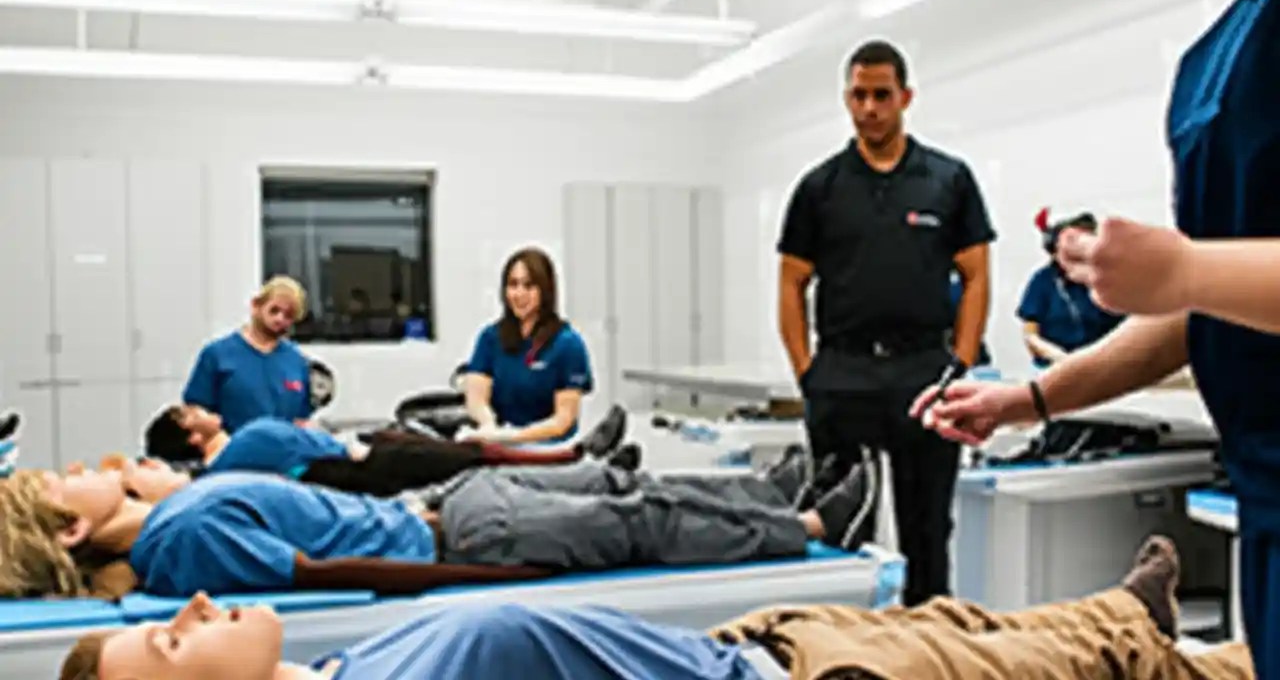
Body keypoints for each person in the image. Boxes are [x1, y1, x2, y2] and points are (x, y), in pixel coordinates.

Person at [913, 0, 1280, 675]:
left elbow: (1197, 281)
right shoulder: (1239, 29)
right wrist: (1029, 399)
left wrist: (1183, 270)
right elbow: (1203, 306)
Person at [58, 536, 1255, 680]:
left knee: (956, 618)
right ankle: (1195, 662)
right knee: (1016, 671)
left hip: (738, 654)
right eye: (166, 640)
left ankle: (1125, 612)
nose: (192, 602)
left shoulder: (339, 679)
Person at [0, 446, 867, 599]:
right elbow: (331, 575)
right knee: (640, 520)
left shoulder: (165, 523)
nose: (81, 471)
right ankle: (809, 528)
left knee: (627, 492)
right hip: (459, 541)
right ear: (69, 534)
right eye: (62, 485)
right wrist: (483, 582)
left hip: (446, 510)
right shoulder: (182, 543)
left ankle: (775, 494)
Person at [776, 39, 996, 606]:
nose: (869, 107)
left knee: (928, 531)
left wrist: (961, 364)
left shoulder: (948, 180)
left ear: (905, 97)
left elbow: (976, 275)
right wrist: (809, 373)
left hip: (923, 372)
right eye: (858, 95)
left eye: (881, 95)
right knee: (841, 530)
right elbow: (791, 283)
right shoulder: (819, 188)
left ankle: (929, 647)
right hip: (843, 374)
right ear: (846, 100)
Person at [141, 403, 631, 497]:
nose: (201, 407)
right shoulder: (239, 449)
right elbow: (308, 447)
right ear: (192, 438)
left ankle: (584, 465)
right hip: (364, 464)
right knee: (478, 456)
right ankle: (574, 460)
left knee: (478, 461)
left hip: (363, 457)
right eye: (190, 412)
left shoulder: (232, 457)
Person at [464, 247, 593, 444]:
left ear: (545, 290)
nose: (519, 294)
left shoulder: (568, 344)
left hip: (548, 451)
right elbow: (476, 398)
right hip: (499, 446)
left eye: (529, 285)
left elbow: (563, 420)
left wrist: (513, 437)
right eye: (513, 284)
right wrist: (488, 425)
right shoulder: (490, 338)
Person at [182, 276, 313, 433]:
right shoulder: (218, 355)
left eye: (288, 315)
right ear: (256, 306)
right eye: (274, 310)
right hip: (232, 454)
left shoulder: (296, 361)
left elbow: (301, 419)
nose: (280, 319)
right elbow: (194, 410)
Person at [1018, 210, 1124, 367]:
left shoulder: (1110, 277)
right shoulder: (1043, 281)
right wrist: (1056, 355)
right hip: (1055, 367)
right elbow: (1030, 334)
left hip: (1108, 365)